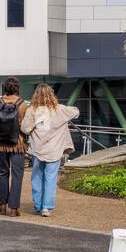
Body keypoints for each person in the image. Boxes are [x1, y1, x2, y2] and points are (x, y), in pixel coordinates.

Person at [20, 83, 80, 218]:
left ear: (36, 95)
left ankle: (38, 205)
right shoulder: (60, 110)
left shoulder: (32, 111)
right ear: (51, 94)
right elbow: (76, 111)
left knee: (37, 177)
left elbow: (25, 129)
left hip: (38, 149)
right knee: (50, 178)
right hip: (54, 150)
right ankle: (46, 207)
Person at [0, 77, 29, 216]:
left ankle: (2, 205)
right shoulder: (23, 105)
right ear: (18, 88)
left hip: (1, 144)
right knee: (17, 175)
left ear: (4, 88)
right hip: (17, 144)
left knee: (2, 172)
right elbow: (26, 127)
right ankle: (14, 208)